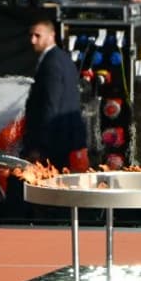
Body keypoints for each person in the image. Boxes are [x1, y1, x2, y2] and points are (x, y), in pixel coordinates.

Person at [22, 21, 86, 171]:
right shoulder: (63, 58)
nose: (33, 40)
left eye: (37, 36)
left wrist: (40, 146)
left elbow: (50, 104)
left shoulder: (52, 62)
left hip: (54, 141)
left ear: (51, 36)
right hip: (66, 137)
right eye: (31, 36)